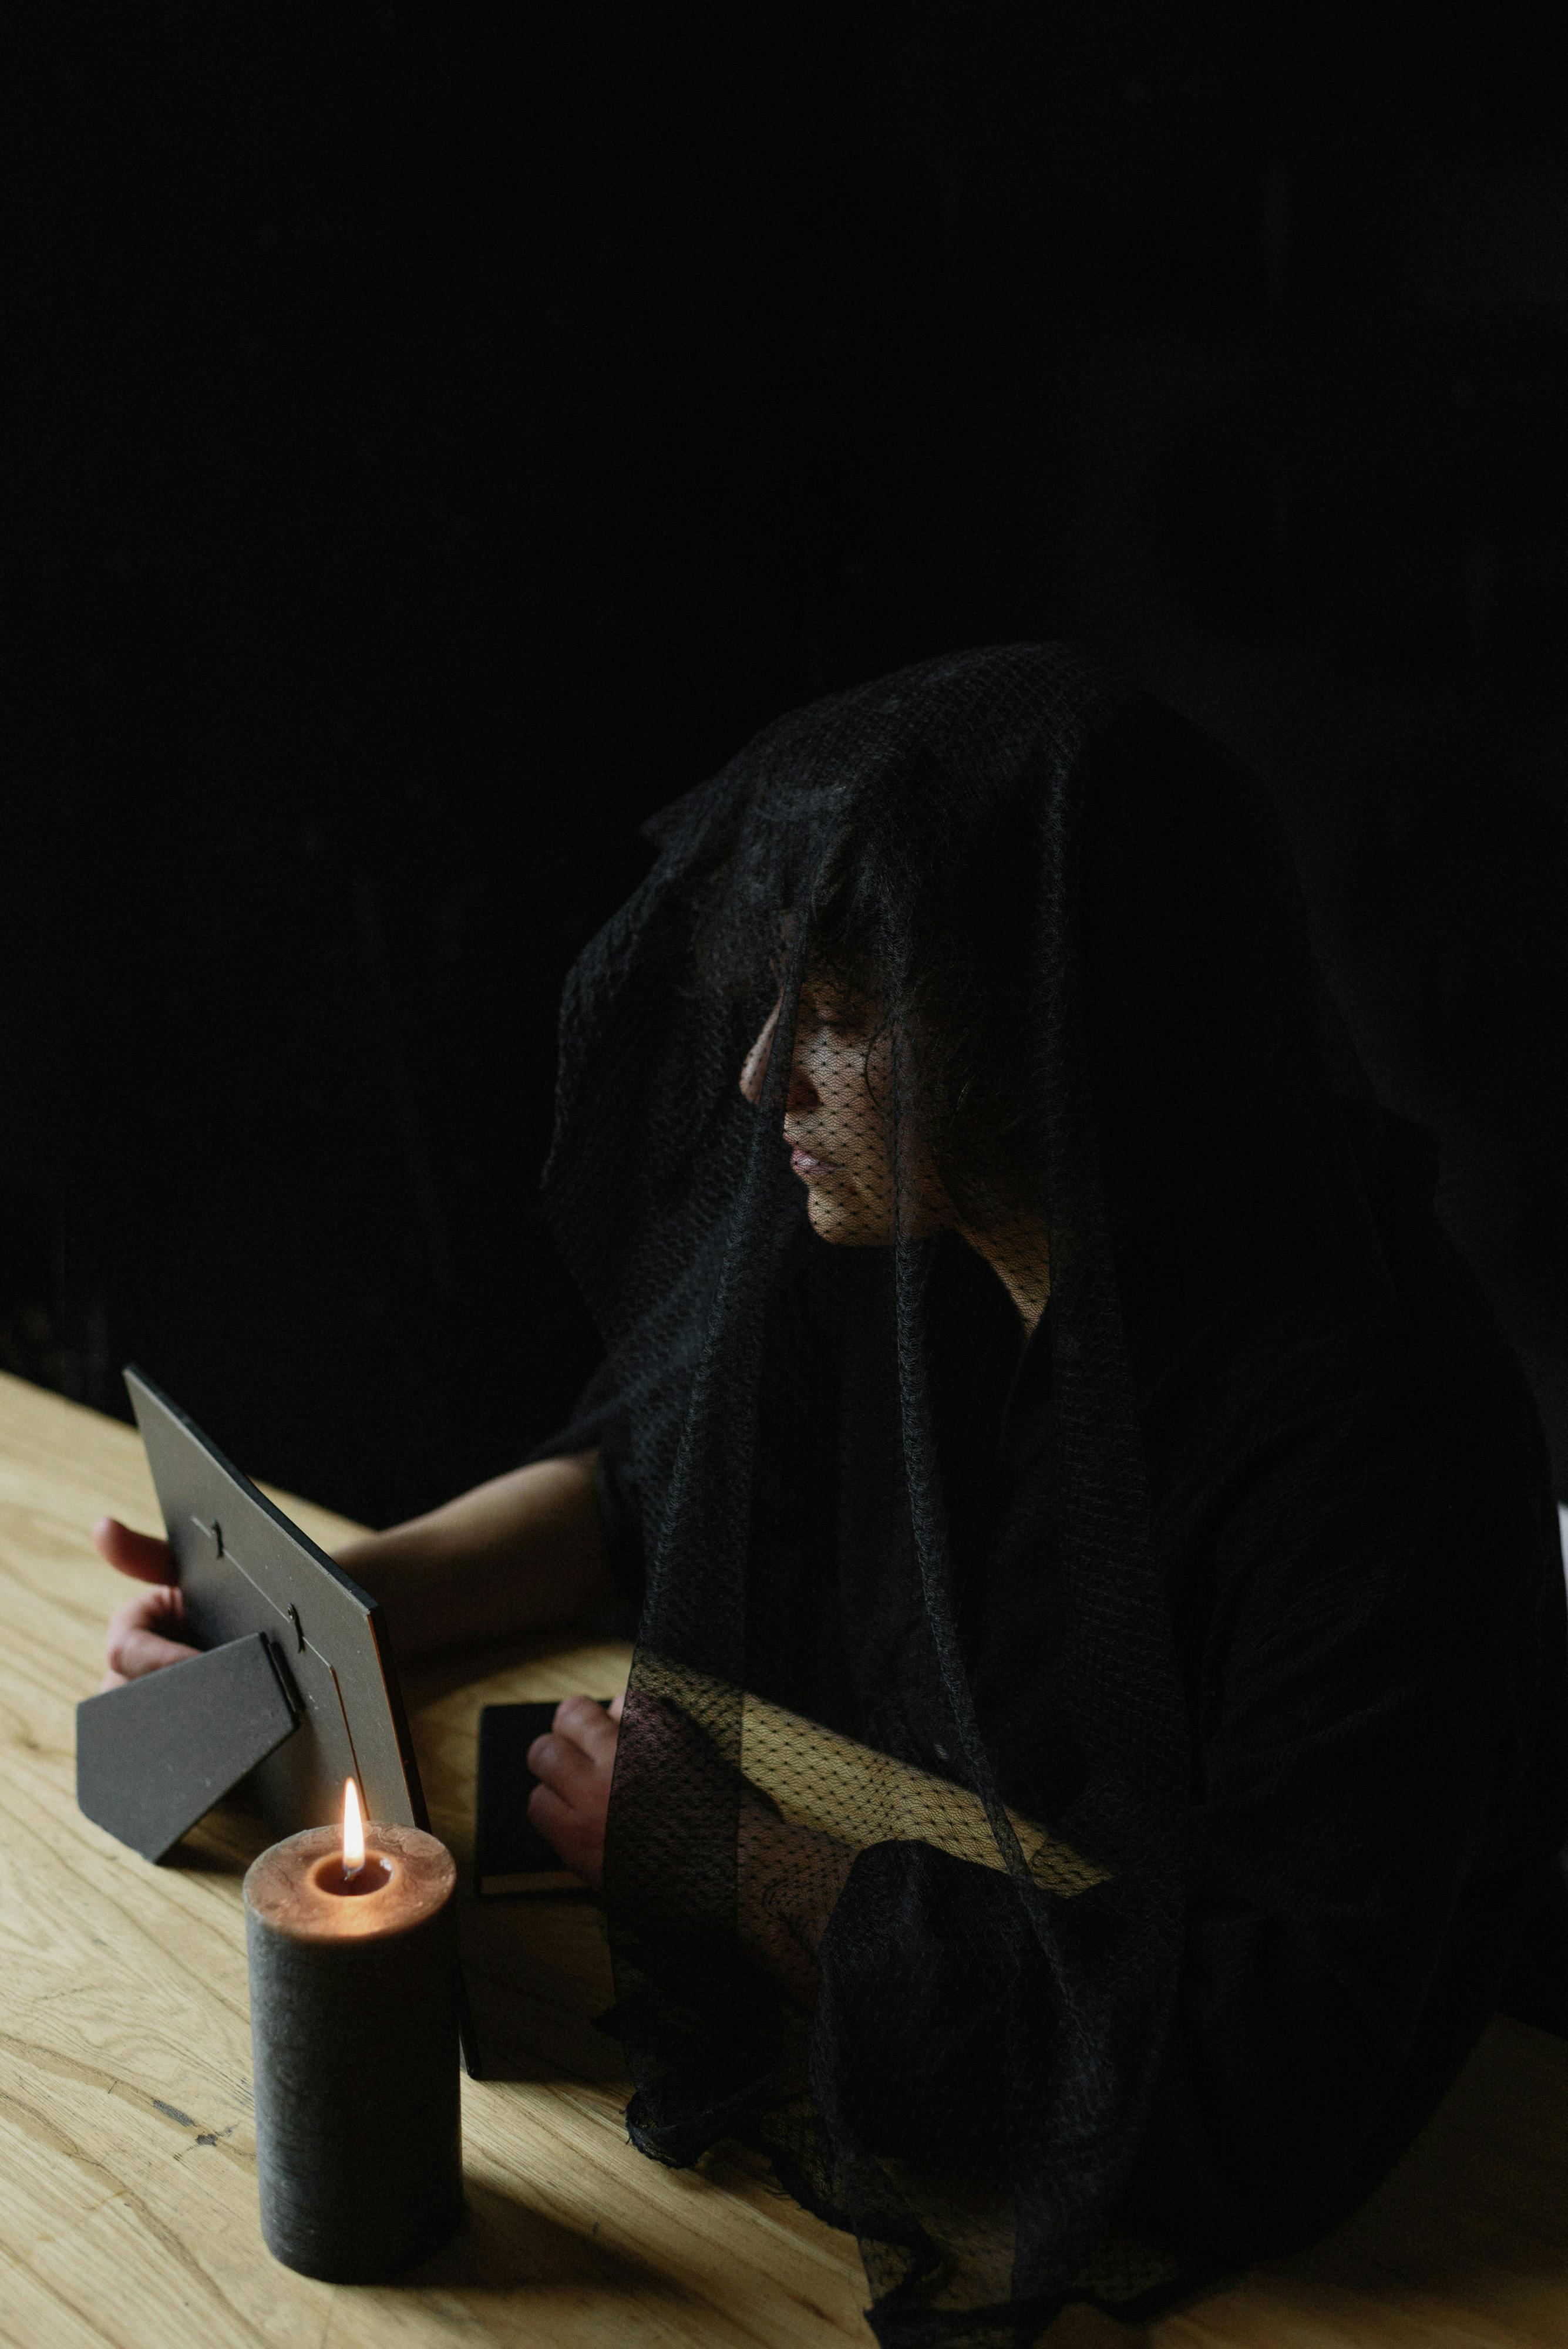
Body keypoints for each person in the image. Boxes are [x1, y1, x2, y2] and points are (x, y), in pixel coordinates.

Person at [98, 645, 1568, 2345]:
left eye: (843, 1024)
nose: (760, 1079)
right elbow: (637, 1484)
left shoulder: (1367, 1433)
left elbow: (1262, 2082)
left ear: (1044, 1043)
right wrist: (318, 1612)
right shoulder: (917, 1238)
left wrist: (741, 1868)